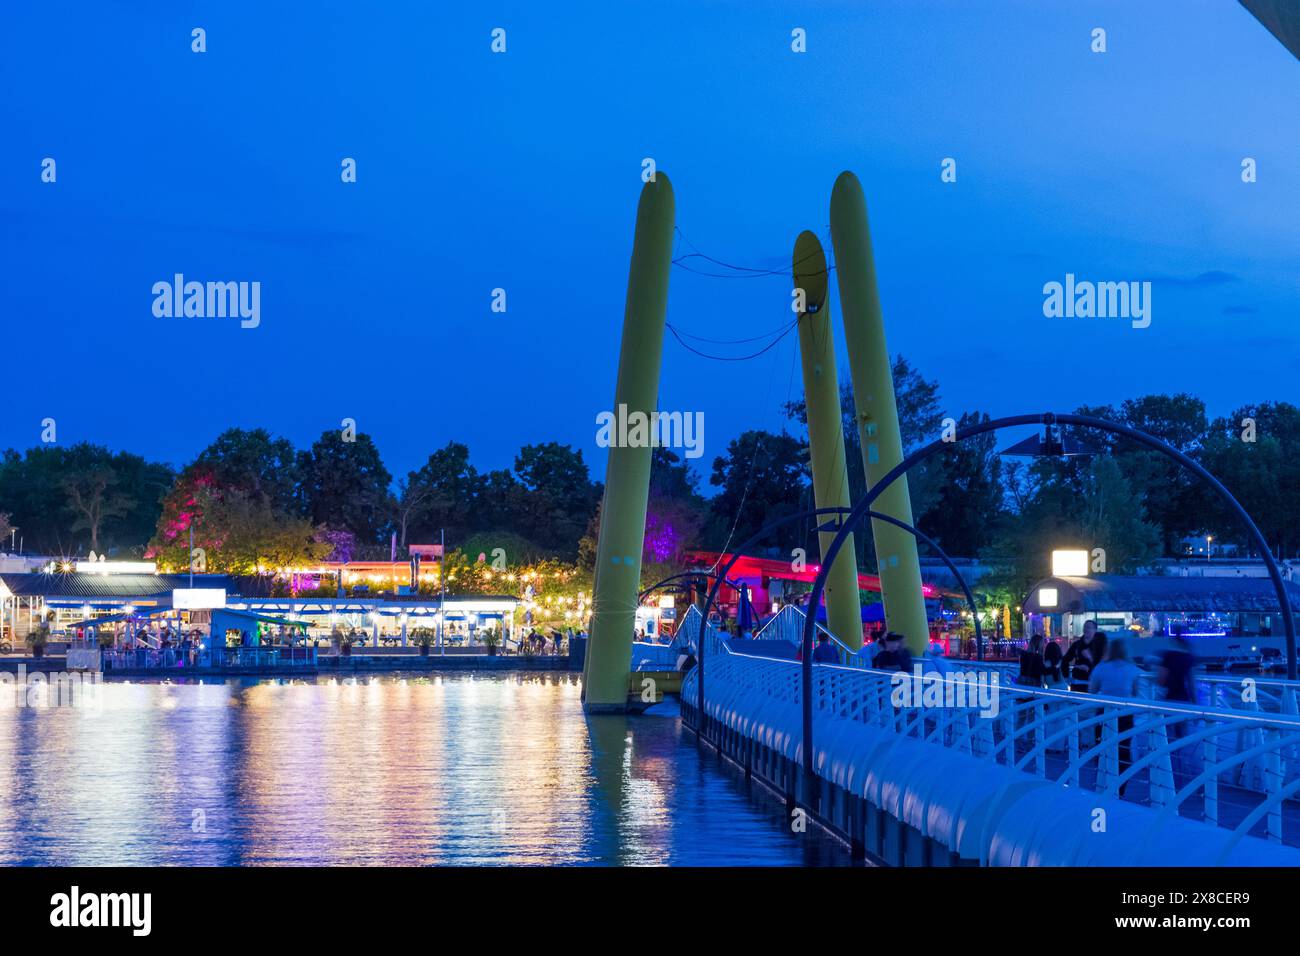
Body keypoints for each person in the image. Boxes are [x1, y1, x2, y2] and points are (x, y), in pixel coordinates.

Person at [1089, 637, 1141, 795]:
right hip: (1125, 714)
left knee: (1103, 747)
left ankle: (1103, 783)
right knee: (1123, 749)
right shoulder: (1132, 669)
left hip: (1104, 713)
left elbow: (1092, 690)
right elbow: (1136, 692)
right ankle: (1120, 787)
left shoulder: (1101, 667)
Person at [1062, 620, 1097, 692]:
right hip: (1077, 683)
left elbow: (1101, 664)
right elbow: (1065, 660)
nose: (1086, 629)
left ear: (1095, 630)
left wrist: (1089, 667)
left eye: (1089, 627)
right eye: (1085, 627)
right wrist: (1066, 677)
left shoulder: (1098, 646)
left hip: (1093, 684)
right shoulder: (1077, 645)